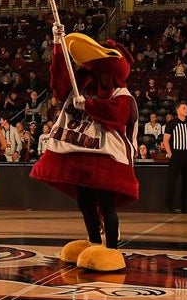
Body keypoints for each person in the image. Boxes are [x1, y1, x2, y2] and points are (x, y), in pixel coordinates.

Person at [32, 28, 140, 272]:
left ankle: (111, 248)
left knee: (106, 203)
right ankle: (93, 242)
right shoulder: (81, 82)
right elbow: (58, 83)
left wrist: (90, 105)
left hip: (108, 157)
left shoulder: (123, 94)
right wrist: (59, 45)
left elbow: (117, 114)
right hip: (80, 152)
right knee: (85, 201)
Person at [162, 102, 187, 213]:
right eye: (184, 108)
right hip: (176, 154)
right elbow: (166, 140)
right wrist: (170, 154)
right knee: (172, 181)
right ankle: (169, 206)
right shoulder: (172, 123)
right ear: (178, 110)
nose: (186, 110)